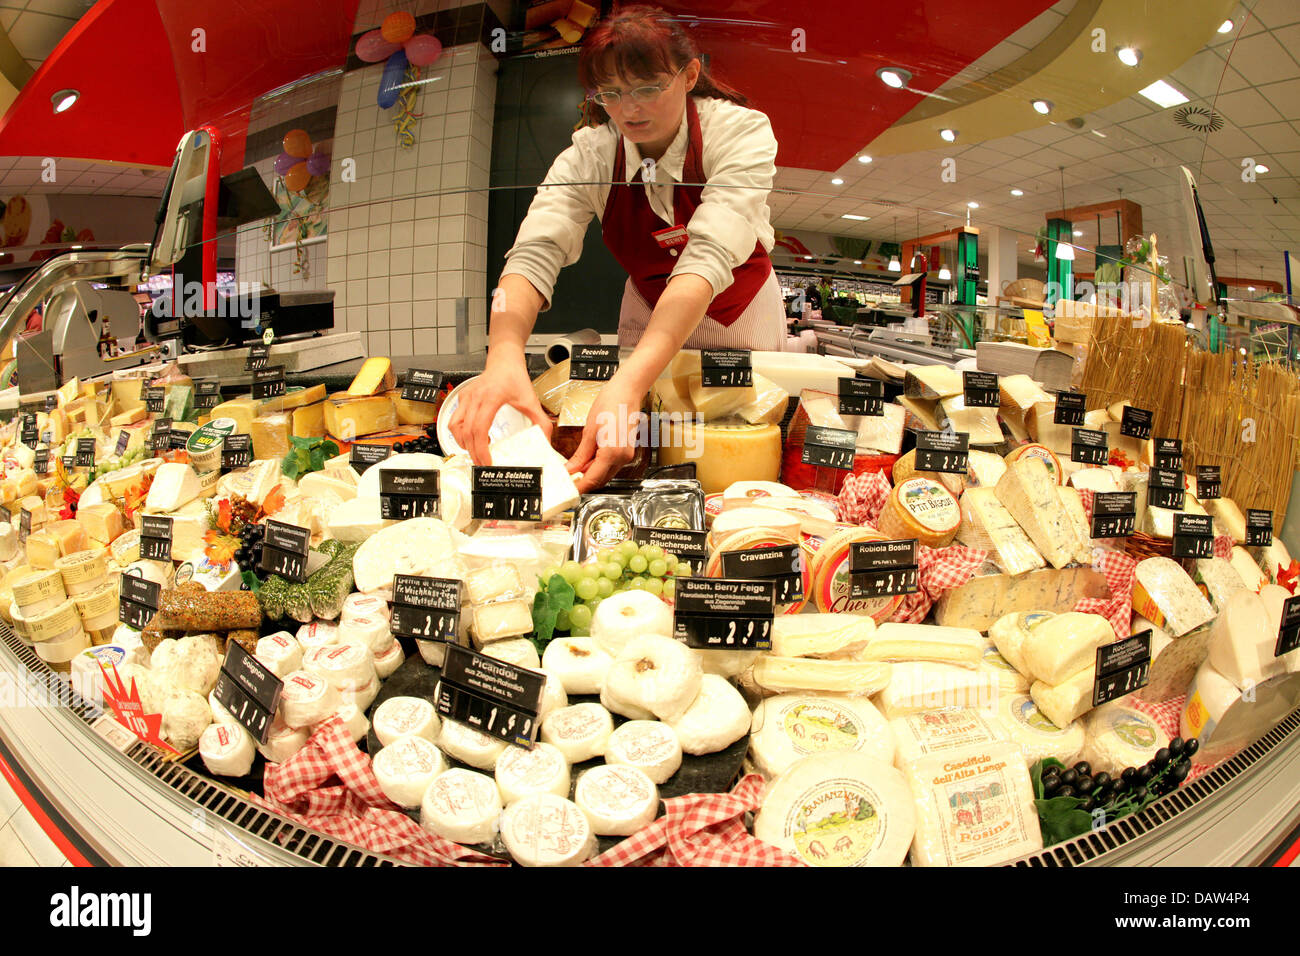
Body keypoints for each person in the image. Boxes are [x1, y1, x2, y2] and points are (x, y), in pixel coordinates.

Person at [448, 4, 781, 491]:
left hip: (741, 306)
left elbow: (706, 257)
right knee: (646, 434)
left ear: (689, 75)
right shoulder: (591, 152)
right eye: (611, 93)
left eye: (648, 88)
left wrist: (629, 378)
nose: (629, 109)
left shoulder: (740, 131)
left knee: (735, 431)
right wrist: (503, 351)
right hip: (647, 304)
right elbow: (534, 249)